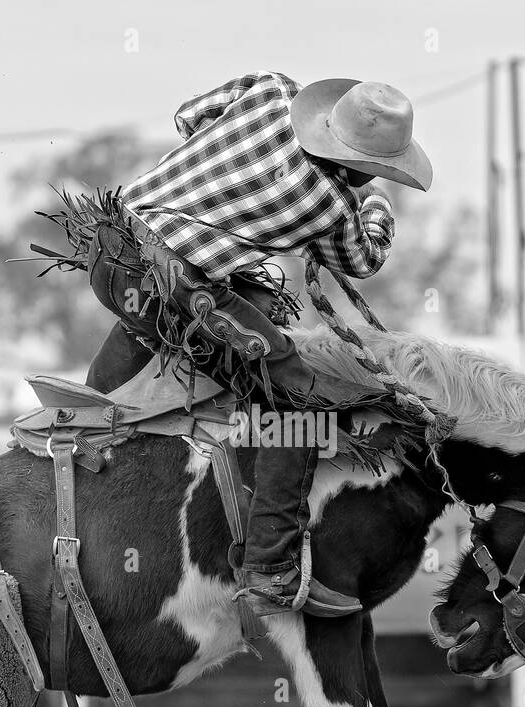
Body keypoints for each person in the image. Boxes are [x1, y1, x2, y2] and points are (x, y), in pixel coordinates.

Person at [55, 71, 433, 620]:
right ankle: (270, 564)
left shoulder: (271, 89)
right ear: (365, 167)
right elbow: (364, 259)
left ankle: (94, 419)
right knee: (296, 402)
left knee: (226, 302)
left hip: (111, 251)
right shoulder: (327, 203)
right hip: (177, 289)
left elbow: (189, 114)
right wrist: (373, 198)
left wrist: (213, 187)